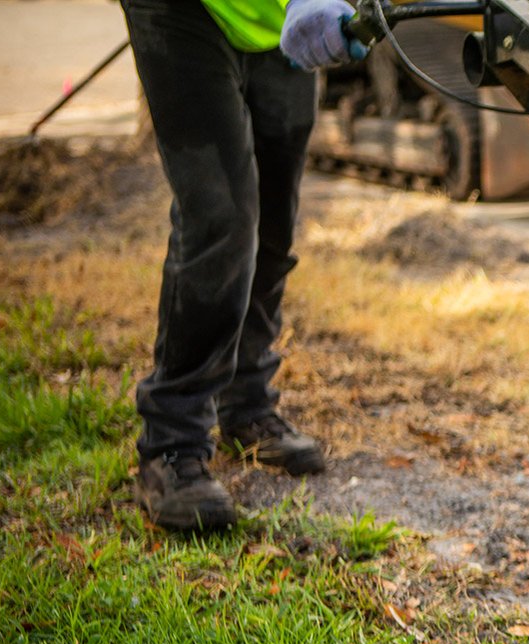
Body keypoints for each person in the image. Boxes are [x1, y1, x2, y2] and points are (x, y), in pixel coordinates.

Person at [121, 0, 363, 530]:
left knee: (273, 224)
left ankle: (247, 403)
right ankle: (171, 445)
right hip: (184, 13)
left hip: (275, 18)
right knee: (221, 218)